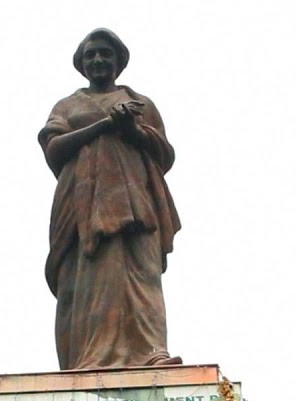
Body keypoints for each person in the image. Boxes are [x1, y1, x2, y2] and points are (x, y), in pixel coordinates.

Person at [38, 28, 182, 371]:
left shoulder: (141, 103)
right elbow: (54, 149)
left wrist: (132, 130)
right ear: (82, 64)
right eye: (91, 55)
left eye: (105, 54)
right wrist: (105, 124)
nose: (98, 60)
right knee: (89, 282)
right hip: (82, 207)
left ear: (118, 61)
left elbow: (165, 155)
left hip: (137, 200)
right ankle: (88, 358)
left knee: (142, 275)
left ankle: (151, 352)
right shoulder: (67, 106)